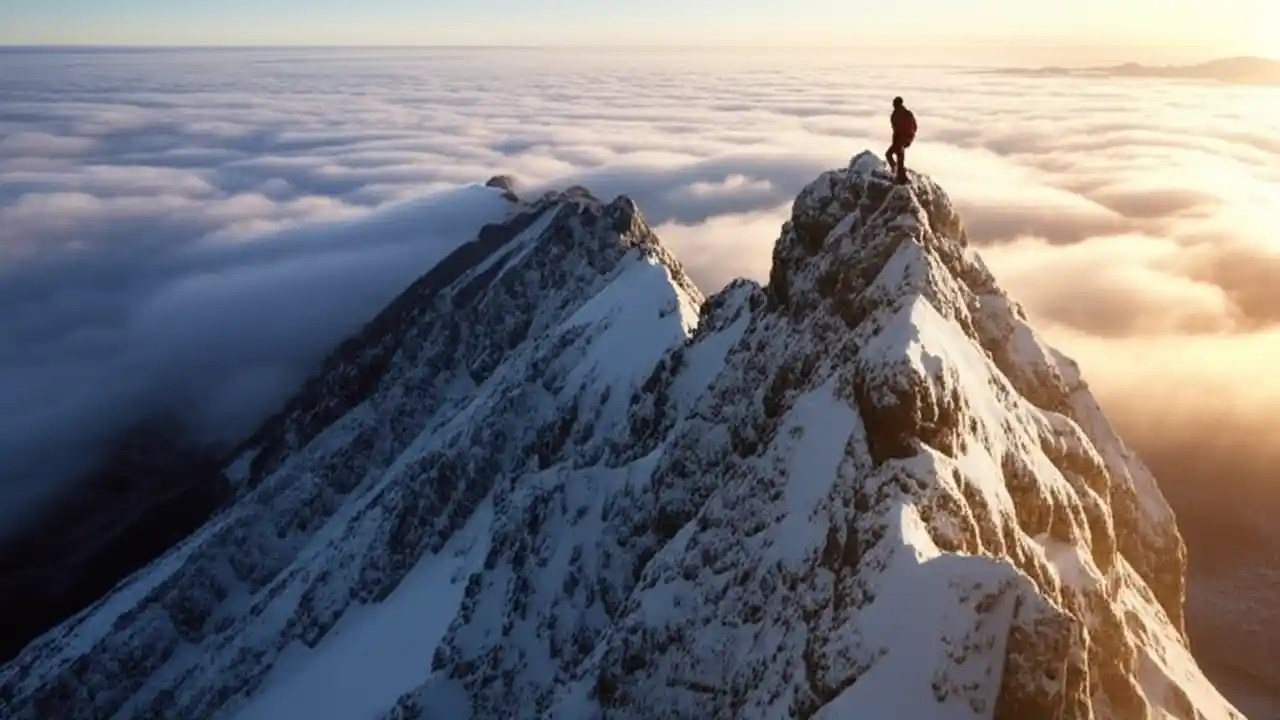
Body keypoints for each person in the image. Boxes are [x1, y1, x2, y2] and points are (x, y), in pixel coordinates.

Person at [886, 97, 917, 185]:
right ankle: (897, 173)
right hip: (900, 140)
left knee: (898, 158)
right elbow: (914, 127)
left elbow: (911, 127)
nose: (893, 105)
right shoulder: (905, 114)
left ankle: (901, 178)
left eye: (894, 103)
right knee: (894, 156)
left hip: (901, 140)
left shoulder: (904, 114)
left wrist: (907, 138)